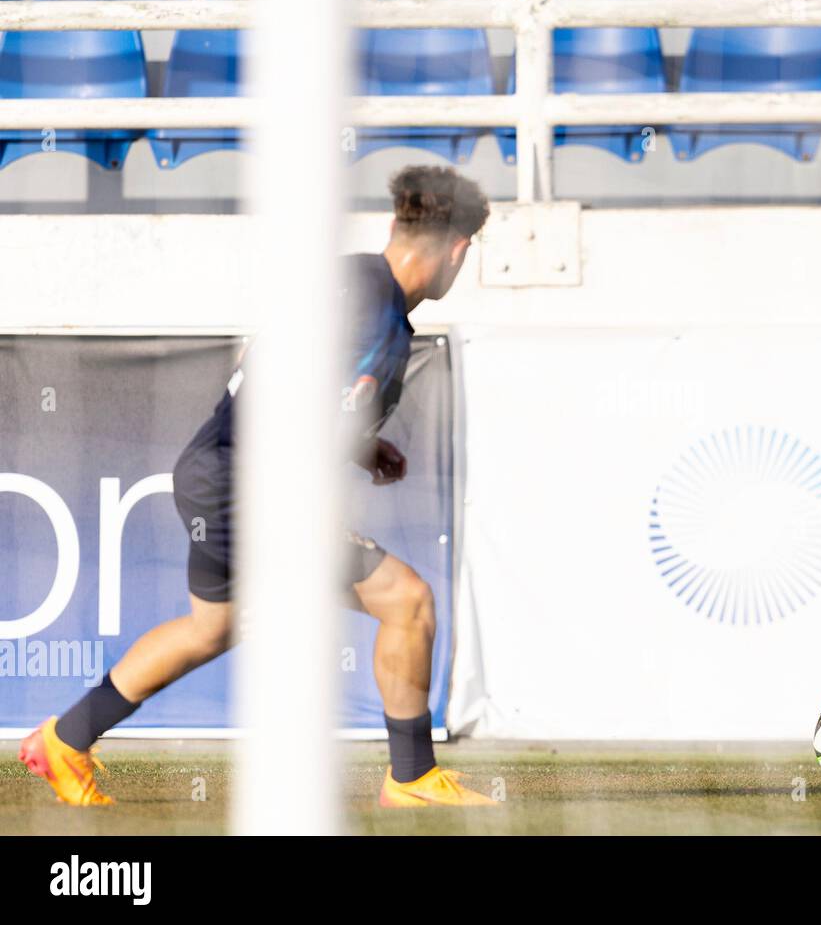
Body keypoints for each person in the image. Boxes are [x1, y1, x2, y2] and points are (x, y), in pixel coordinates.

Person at [20, 165, 496, 807]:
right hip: (253, 488)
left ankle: (63, 740)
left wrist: (361, 444)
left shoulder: (348, 276)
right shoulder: (380, 321)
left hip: (211, 470)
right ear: (459, 248)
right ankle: (411, 779)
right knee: (407, 602)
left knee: (212, 628)